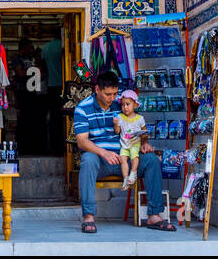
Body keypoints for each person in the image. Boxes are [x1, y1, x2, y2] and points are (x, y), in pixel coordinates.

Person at [73, 70, 176, 234]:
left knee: (151, 160)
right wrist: (104, 153)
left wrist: (144, 143)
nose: (112, 98)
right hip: (101, 162)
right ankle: (88, 216)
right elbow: (82, 141)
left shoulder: (122, 104)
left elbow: (137, 126)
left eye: (114, 93)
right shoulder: (82, 108)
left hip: (126, 156)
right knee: (87, 160)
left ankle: (154, 215)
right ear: (97, 90)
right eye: (108, 94)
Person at [113, 90, 148, 185]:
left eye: (128, 104)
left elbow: (145, 132)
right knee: (122, 159)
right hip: (124, 145)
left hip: (134, 144)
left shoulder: (140, 119)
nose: (125, 107)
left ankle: (133, 173)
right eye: (123, 105)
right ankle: (125, 178)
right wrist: (116, 124)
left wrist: (143, 136)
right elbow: (117, 131)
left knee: (134, 157)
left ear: (135, 105)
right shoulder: (120, 117)